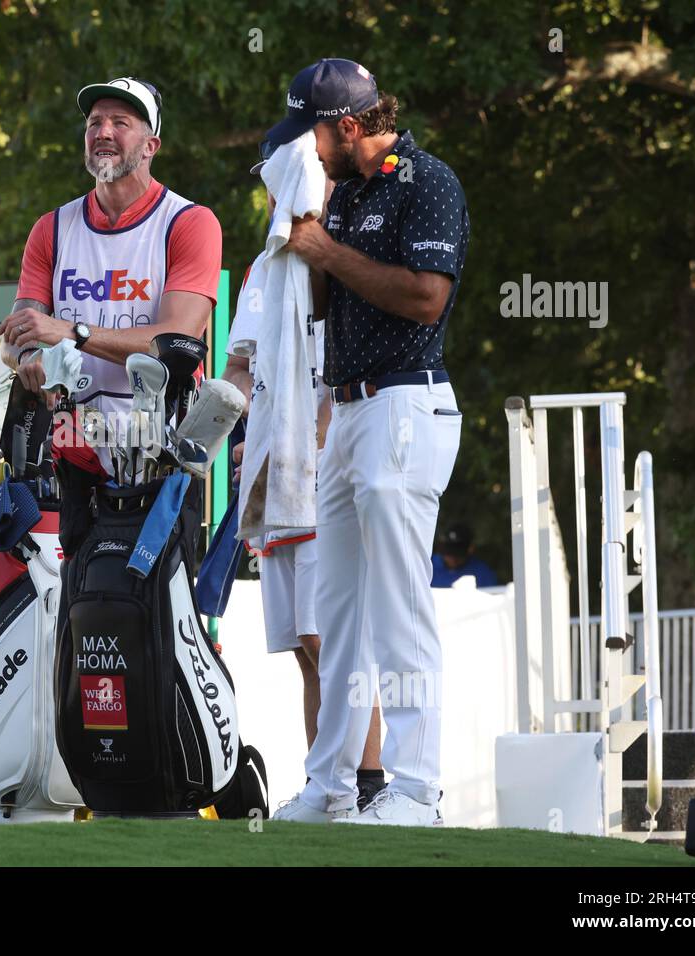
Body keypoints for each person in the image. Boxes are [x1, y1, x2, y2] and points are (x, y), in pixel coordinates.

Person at [266, 58, 470, 826]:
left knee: (398, 606)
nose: (307, 150)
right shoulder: (340, 191)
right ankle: (332, 785)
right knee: (339, 611)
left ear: (348, 126)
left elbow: (425, 298)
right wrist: (299, 230)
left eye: (312, 135)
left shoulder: (429, 182)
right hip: (347, 414)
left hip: (406, 407)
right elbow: (320, 297)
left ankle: (416, 789)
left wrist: (326, 253)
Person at [224, 146, 385, 808]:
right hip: (273, 475)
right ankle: (326, 786)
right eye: (267, 187)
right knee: (303, 649)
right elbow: (241, 364)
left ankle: (368, 783)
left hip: (326, 470)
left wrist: (319, 425)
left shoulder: (334, 259)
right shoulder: (261, 268)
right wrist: (226, 418)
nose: (272, 198)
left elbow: (345, 361)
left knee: (331, 637)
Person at [0, 77, 221, 483]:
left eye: (121, 122)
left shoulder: (190, 222)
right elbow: (16, 337)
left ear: (150, 145)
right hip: (70, 449)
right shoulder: (51, 228)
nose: (102, 132)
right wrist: (30, 360)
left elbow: (177, 346)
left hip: (158, 452)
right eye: (94, 122)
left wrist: (70, 332)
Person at [431, 523, 498, 588]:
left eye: (457, 554)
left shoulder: (483, 573)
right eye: (448, 553)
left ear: (470, 549)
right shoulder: (430, 565)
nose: (452, 559)